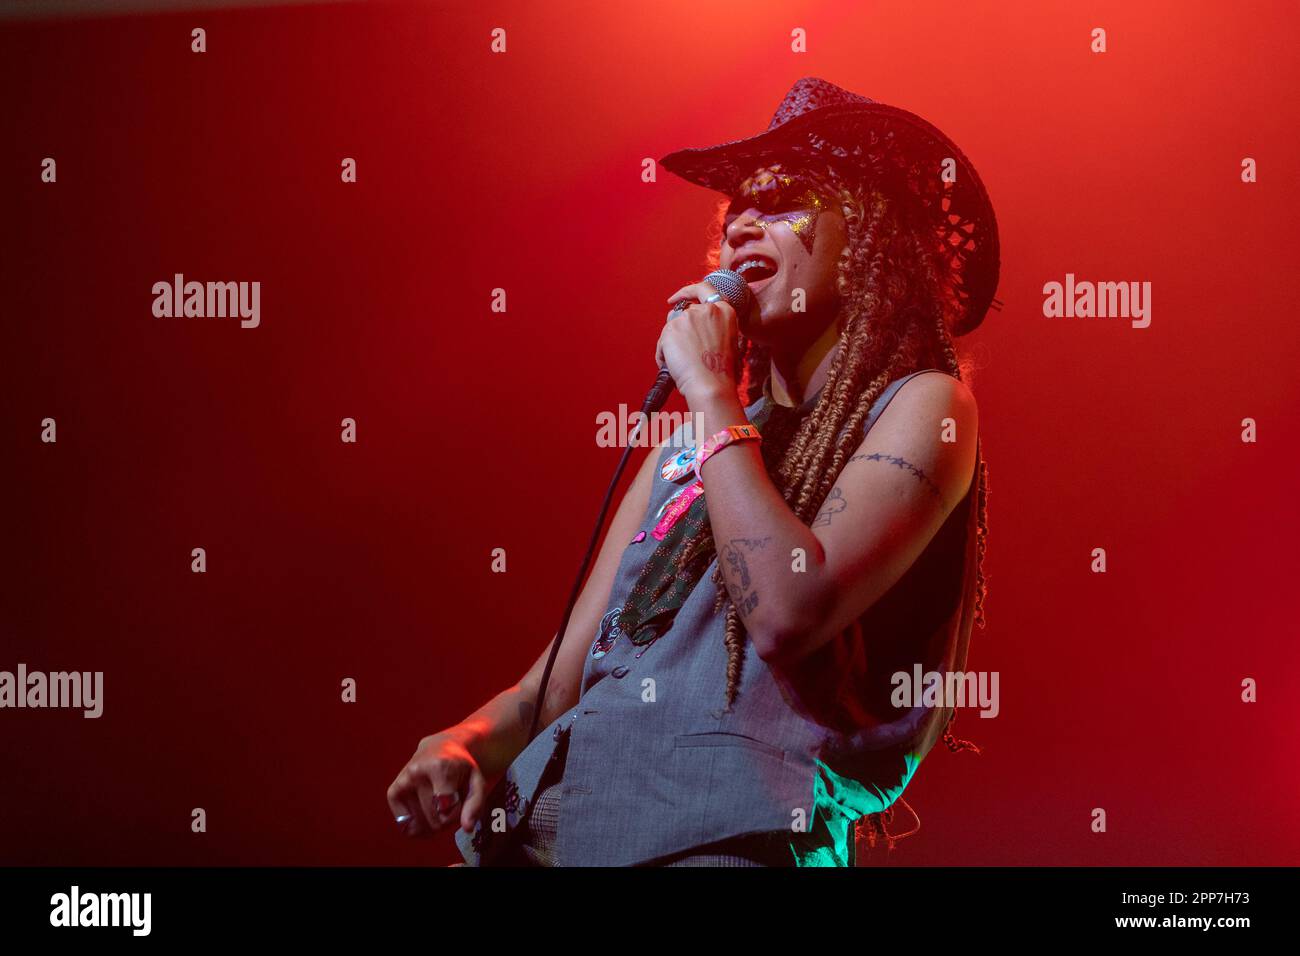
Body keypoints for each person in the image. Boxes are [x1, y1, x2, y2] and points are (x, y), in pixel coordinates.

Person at [387, 77, 1000, 866]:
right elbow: (555, 688)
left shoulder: (925, 405)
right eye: (736, 207)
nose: (744, 222)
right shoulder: (685, 455)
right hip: (539, 836)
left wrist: (710, 390)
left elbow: (788, 611)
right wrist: (466, 740)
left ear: (871, 240)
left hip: (712, 843)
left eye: (785, 198)